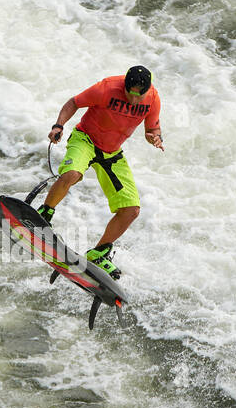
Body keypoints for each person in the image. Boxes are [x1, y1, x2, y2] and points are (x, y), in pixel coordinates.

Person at [37, 65, 163, 278]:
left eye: (138, 96)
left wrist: (155, 137)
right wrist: (58, 125)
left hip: (112, 152)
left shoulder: (153, 99)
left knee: (131, 209)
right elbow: (73, 103)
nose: (133, 100)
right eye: (129, 94)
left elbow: (152, 129)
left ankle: (99, 252)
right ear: (124, 85)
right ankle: (44, 214)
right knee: (72, 175)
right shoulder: (106, 88)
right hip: (85, 139)